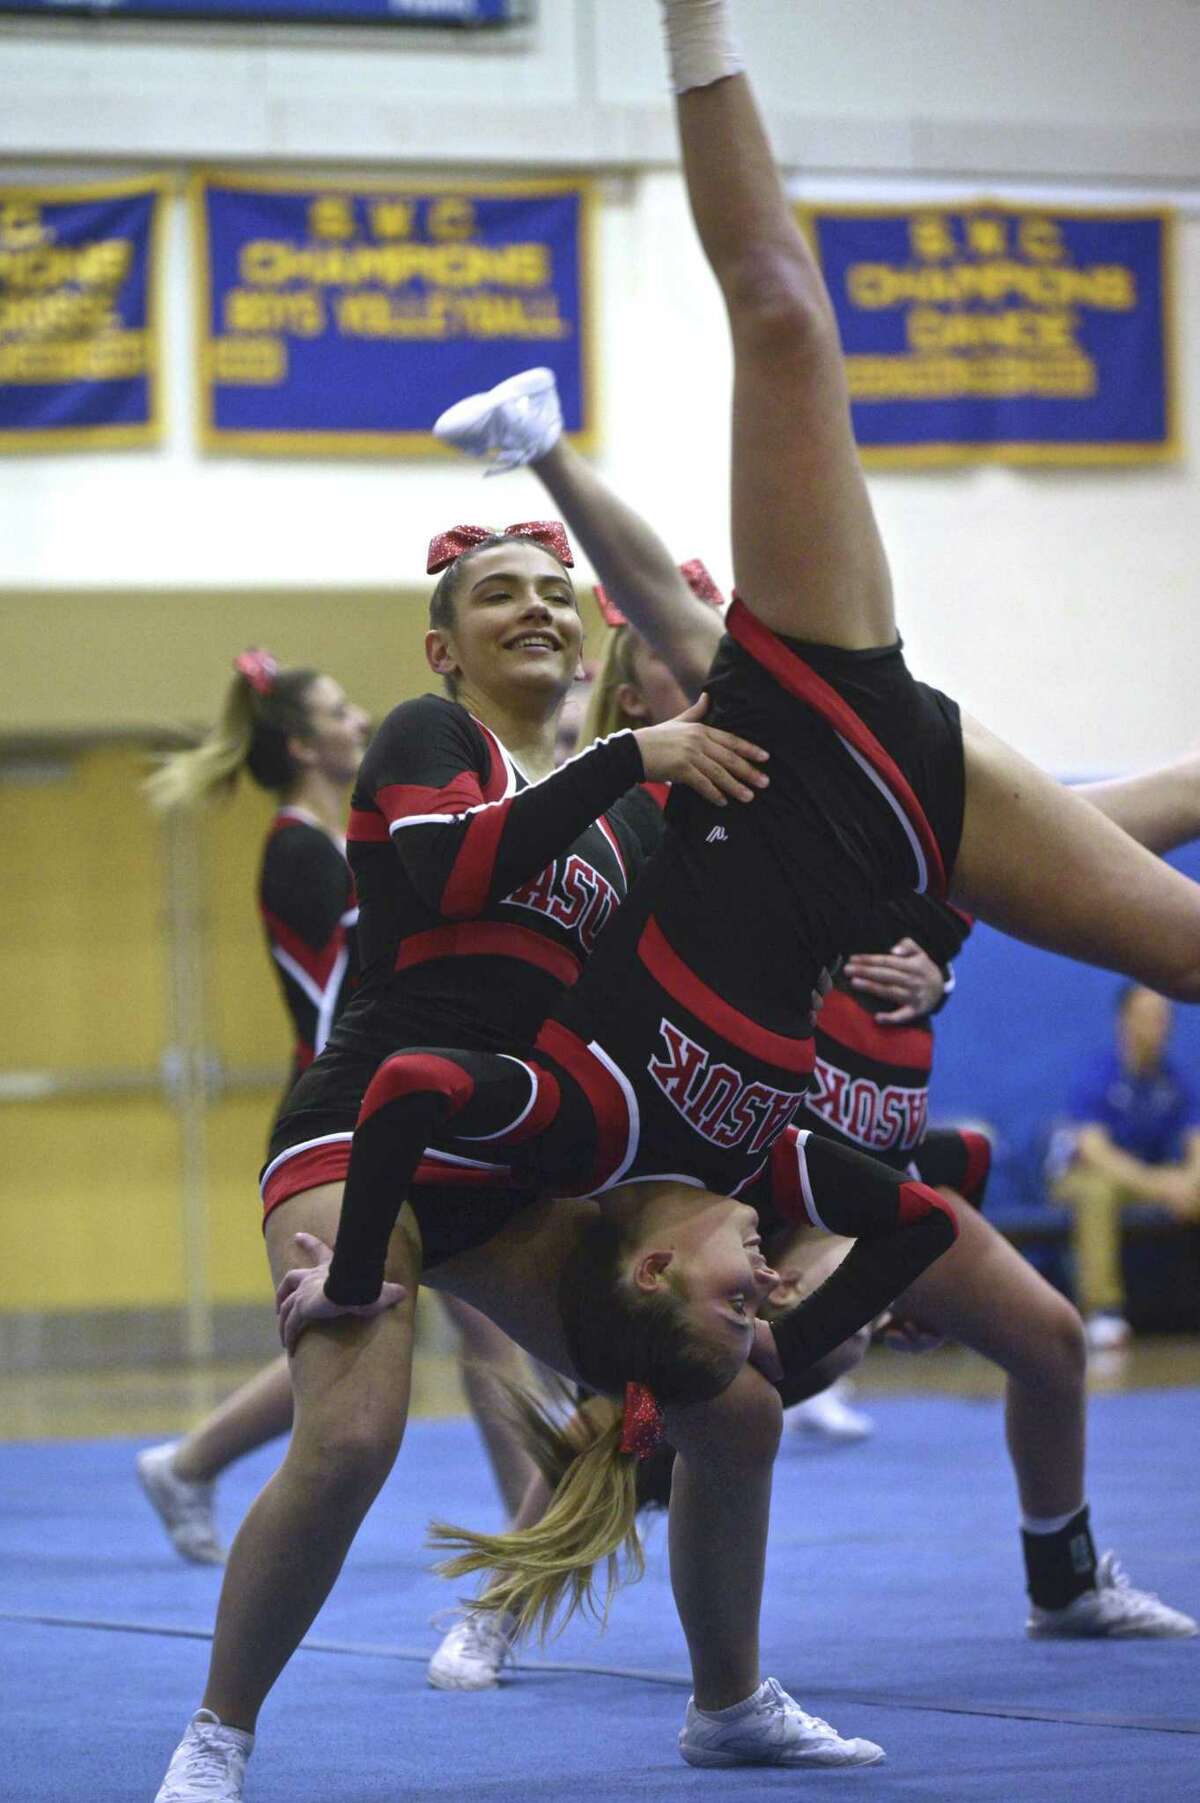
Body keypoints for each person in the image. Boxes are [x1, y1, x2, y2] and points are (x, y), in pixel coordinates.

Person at [280, 0, 1200, 1678]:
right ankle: (767, 1615)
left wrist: (365, 1243)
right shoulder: (768, 1168)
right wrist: (796, 1308)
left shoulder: (595, 1077)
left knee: (783, 318)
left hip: (827, 711)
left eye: (729, 1293)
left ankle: (689, 20)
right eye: (751, 1298)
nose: (749, 1286)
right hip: (923, 813)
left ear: (639, 1247)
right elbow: (905, 1221)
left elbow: (452, 1082)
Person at [136, 651, 543, 1566]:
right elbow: (337, 1000)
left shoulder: (344, 841)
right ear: (301, 743)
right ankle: (532, 1537)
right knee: (394, 1326)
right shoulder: (295, 850)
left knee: (396, 1322)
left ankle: (189, 1460)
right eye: (336, 711)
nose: (359, 719)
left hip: (398, 1094)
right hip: (350, 1105)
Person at [1051, 983, 1200, 1349]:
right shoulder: (1099, 1075)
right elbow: (1094, 1151)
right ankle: (1103, 1312)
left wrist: (1189, 1183)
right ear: (1125, 1021)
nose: (1159, 1026)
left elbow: (1196, 1144)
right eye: (1148, 1017)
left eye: (1164, 1018)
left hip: (1152, 1181)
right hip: (1081, 1178)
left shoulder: (1175, 1081)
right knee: (1097, 1189)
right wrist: (1162, 1185)